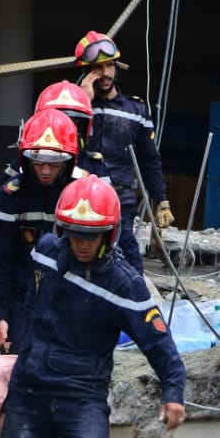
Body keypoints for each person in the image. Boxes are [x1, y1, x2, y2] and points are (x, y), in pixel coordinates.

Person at [0, 176, 187, 438]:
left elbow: (159, 343)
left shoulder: (125, 284)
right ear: (62, 228)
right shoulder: (44, 252)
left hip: (82, 394)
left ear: (109, 234)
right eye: (75, 233)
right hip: (30, 389)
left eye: (91, 235)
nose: (82, 244)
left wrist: (173, 392)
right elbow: (29, 304)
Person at [0, 108, 79, 354]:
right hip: (22, 295)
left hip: (71, 293)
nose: (46, 171)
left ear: (68, 161)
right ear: (26, 160)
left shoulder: (82, 194)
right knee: (20, 359)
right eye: (38, 163)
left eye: (54, 164)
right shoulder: (8, 198)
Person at [75, 31, 172, 276]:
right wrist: (82, 103)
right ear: (86, 72)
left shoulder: (136, 109)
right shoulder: (74, 105)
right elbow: (69, 145)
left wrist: (161, 200)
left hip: (121, 199)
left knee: (127, 259)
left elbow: (150, 160)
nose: (106, 74)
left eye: (110, 65)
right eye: (98, 68)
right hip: (81, 197)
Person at [34, 80, 110, 180]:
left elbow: (105, 195)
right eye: (57, 122)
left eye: (72, 122)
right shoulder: (28, 160)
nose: (65, 128)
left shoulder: (94, 165)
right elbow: (8, 192)